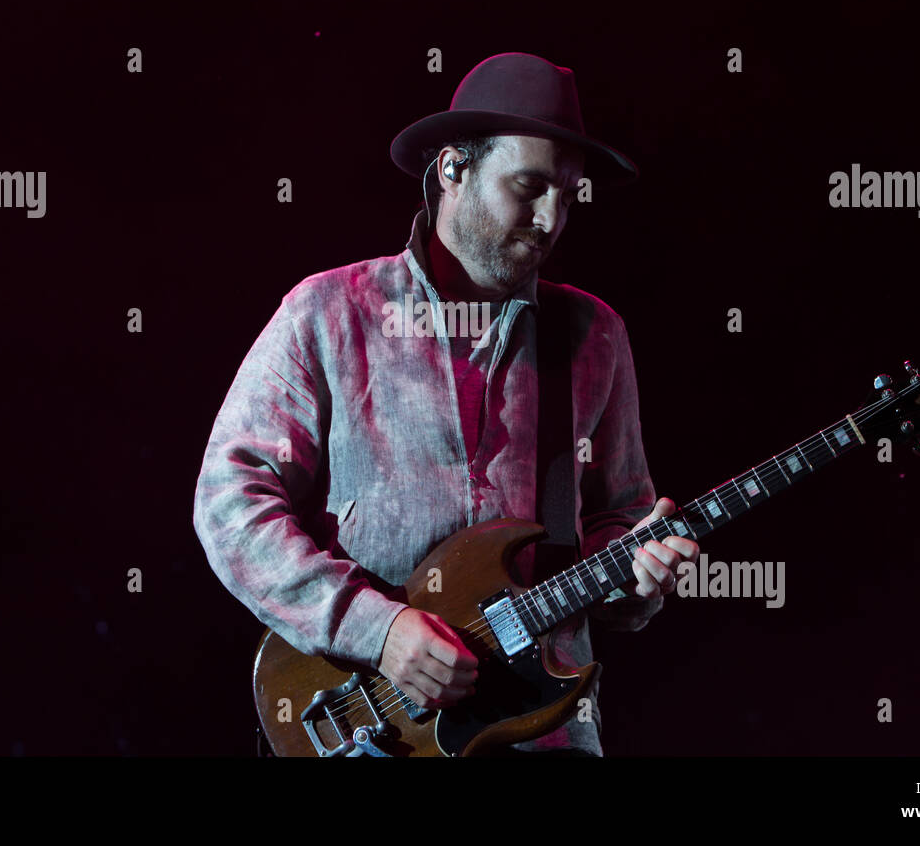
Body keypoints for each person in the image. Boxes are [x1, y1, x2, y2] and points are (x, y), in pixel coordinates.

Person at [193, 52, 699, 755]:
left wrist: (638, 579)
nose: (552, 218)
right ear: (452, 169)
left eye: (567, 195)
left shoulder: (595, 336)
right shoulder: (329, 314)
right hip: (373, 725)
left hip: (544, 738)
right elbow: (229, 500)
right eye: (529, 186)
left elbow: (616, 519)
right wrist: (378, 628)